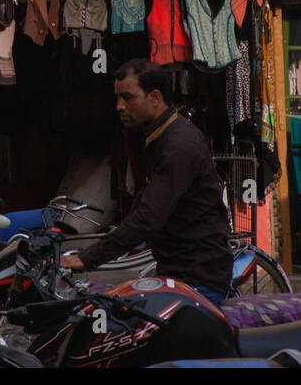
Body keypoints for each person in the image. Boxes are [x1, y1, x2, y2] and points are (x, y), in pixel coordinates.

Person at [60, 59, 232, 304]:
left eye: (128, 98)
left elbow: (148, 216)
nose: (119, 106)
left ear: (154, 97)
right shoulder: (155, 136)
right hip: (176, 270)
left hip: (197, 278)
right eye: (117, 98)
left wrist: (86, 258)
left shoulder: (178, 146)